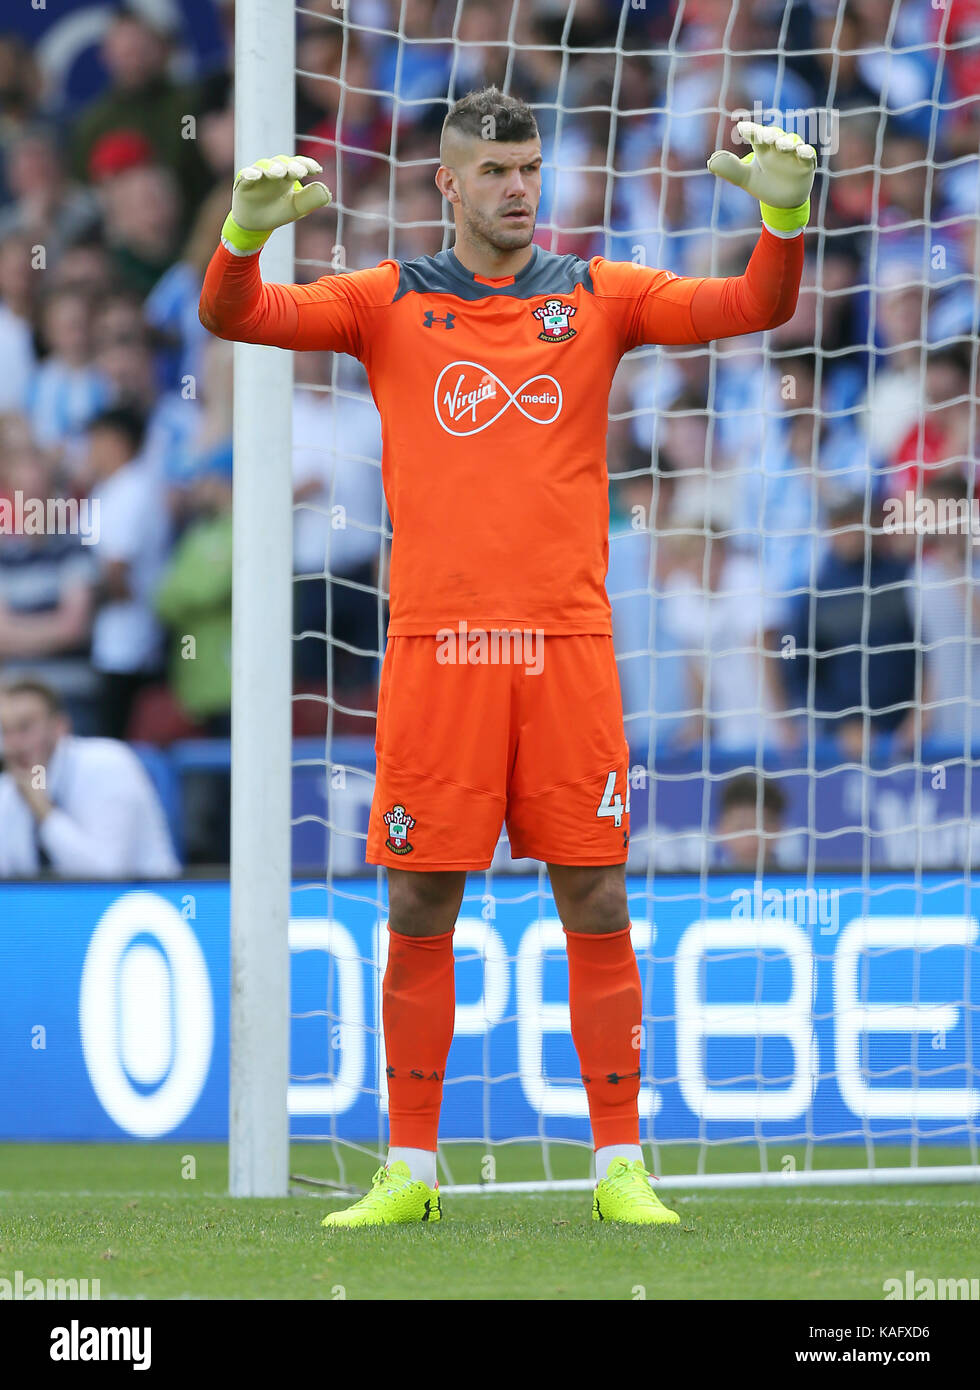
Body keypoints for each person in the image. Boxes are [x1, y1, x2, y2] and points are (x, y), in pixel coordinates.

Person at [199, 89, 815, 1227]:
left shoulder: (598, 293)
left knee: (592, 885)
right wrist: (240, 236)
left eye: (529, 167)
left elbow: (747, 306)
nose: (519, 189)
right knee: (420, 892)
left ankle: (620, 1163)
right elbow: (237, 317)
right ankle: (410, 1170)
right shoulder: (385, 300)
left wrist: (782, 221)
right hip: (436, 646)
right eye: (493, 172)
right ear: (445, 183)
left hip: (567, 646)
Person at [0, 678, 179, 878]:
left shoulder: (108, 764)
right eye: (6, 731)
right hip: (50, 908)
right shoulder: (7, 789)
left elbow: (106, 877)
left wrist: (43, 810)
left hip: (142, 903)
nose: (13, 744)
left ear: (59, 726)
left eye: (25, 728)